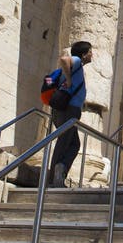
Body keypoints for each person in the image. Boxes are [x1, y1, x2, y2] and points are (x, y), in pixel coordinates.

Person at [48, 41, 92, 187]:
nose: (92, 54)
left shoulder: (76, 68)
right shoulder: (77, 61)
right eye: (90, 51)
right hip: (68, 109)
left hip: (64, 109)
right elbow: (64, 59)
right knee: (64, 142)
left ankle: (61, 168)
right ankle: (53, 180)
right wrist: (68, 80)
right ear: (84, 54)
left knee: (74, 143)